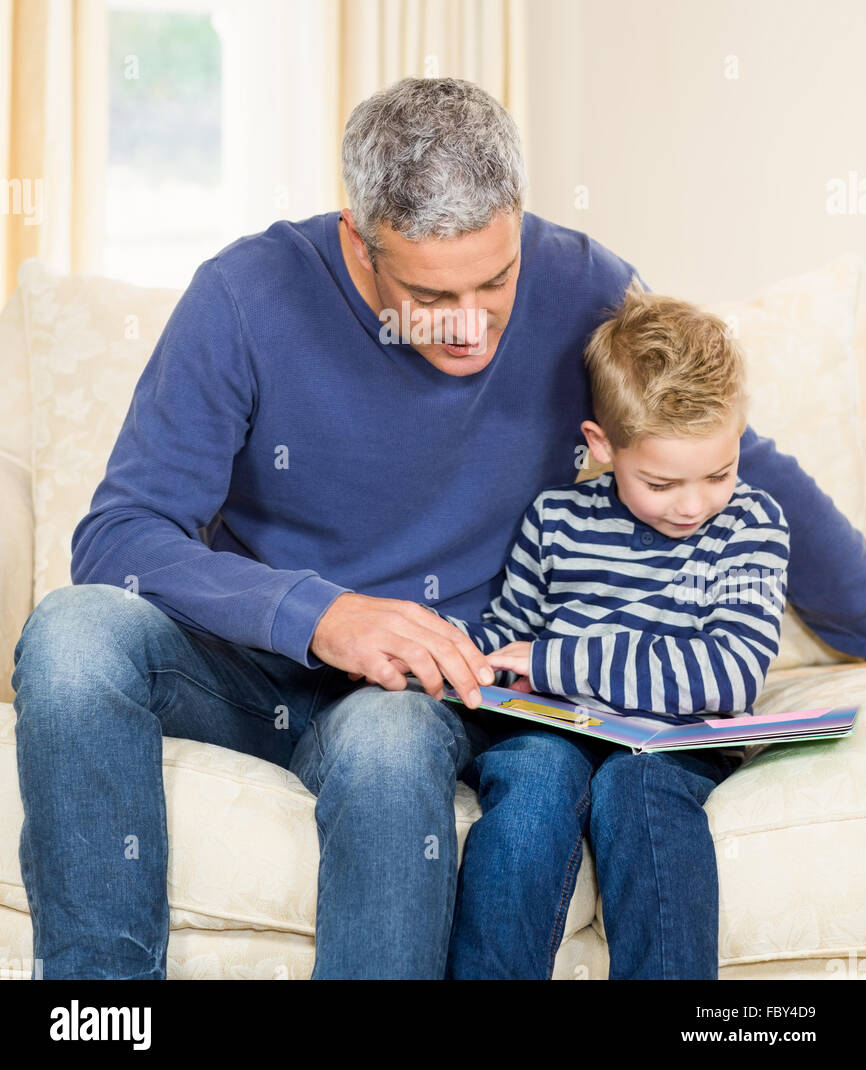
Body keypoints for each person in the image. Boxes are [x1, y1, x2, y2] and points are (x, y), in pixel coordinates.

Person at [11, 77, 866, 981]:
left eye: (496, 281)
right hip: (239, 661)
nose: (469, 326)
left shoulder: (585, 285)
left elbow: (722, 454)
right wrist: (321, 614)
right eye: (428, 294)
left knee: (388, 742)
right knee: (69, 636)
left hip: (426, 687)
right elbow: (120, 538)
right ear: (358, 240)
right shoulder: (244, 295)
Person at [438, 280, 790, 977]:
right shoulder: (556, 518)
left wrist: (555, 662)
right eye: (661, 484)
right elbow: (509, 636)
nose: (693, 507)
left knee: (639, 791)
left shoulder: (751, 523)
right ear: (601, 446)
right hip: (555, 728)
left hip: (672, 744)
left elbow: (728, 674)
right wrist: (446, 649)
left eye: (718, 473)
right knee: (532, 778)